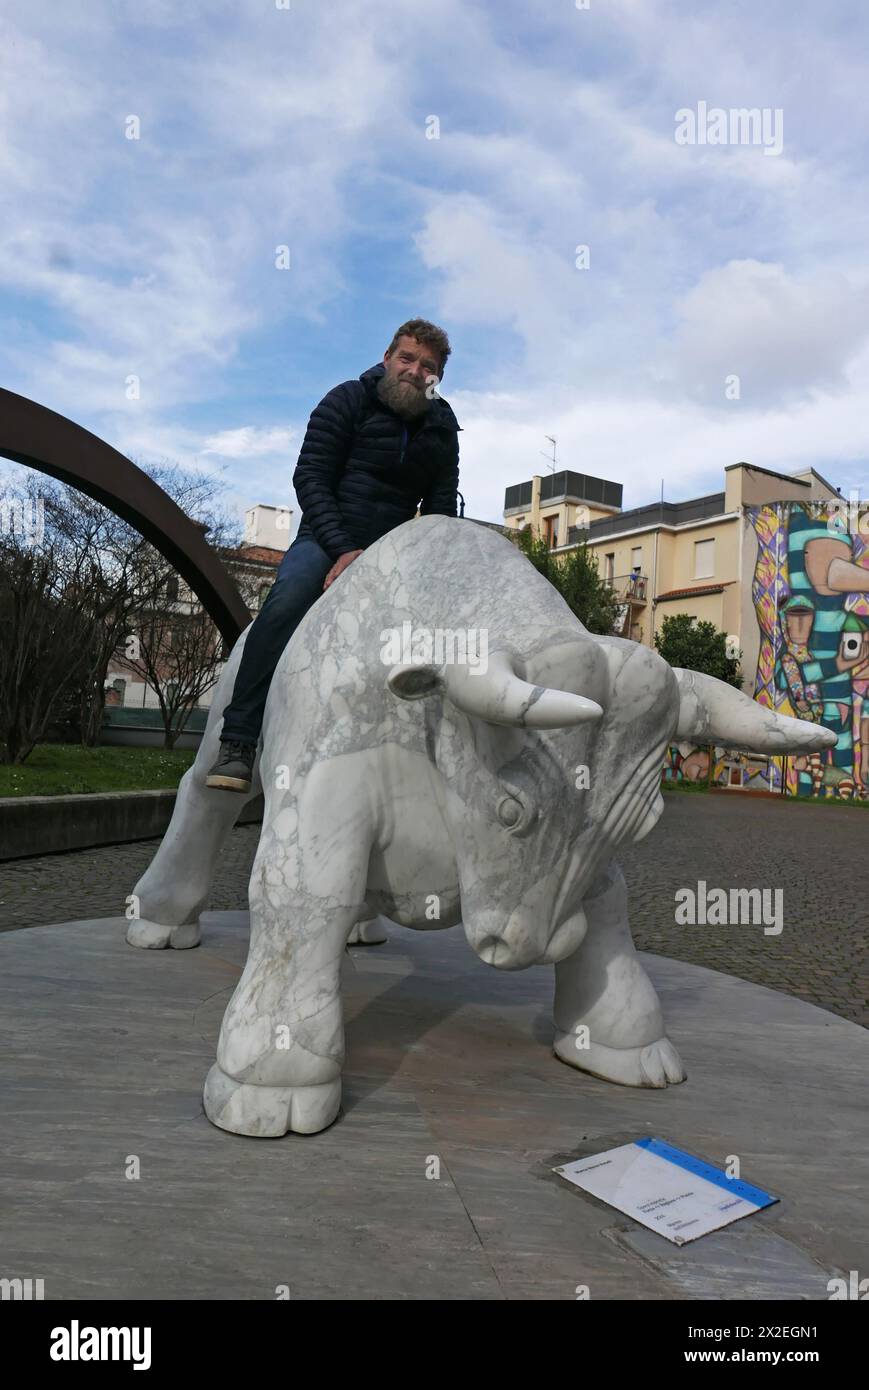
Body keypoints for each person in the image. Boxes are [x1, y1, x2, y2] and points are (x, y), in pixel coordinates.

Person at [205, 318, 460, 793]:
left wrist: (431, 570)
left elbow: (442, 510)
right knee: (287, 600)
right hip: (327, 540)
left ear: (437, 377)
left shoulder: (443, 430)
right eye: (407, 358)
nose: (415, 371)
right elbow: (311, 477)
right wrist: (343, 549)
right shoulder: (346, 399)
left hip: (395, 558)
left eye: (428, 367)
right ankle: (238, 741)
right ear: (387, 358)